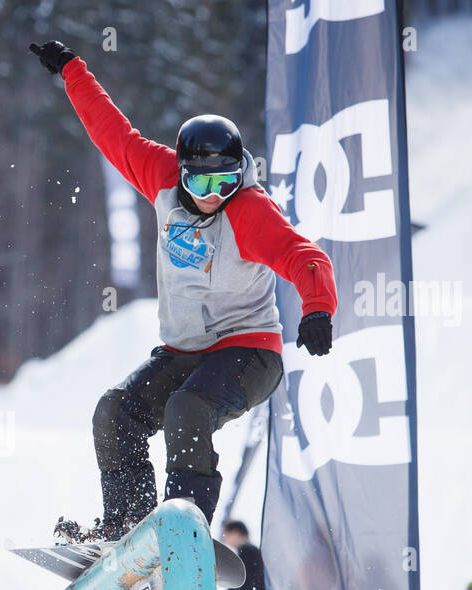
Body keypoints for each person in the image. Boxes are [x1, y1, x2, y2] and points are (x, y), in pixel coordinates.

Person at [30, 41, 336, 537]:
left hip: (250, 353)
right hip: (183, 351)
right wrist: (72, 71)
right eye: (202, 184)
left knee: (187, 409)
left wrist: (317, 308)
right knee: (115, 414)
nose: (214, 195)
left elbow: (306, 257)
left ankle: (183, 530)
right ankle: (130, 526)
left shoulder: (250, 212)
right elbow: (112, 133)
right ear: (183, 173)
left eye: (226, 182)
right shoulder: (161, 176)